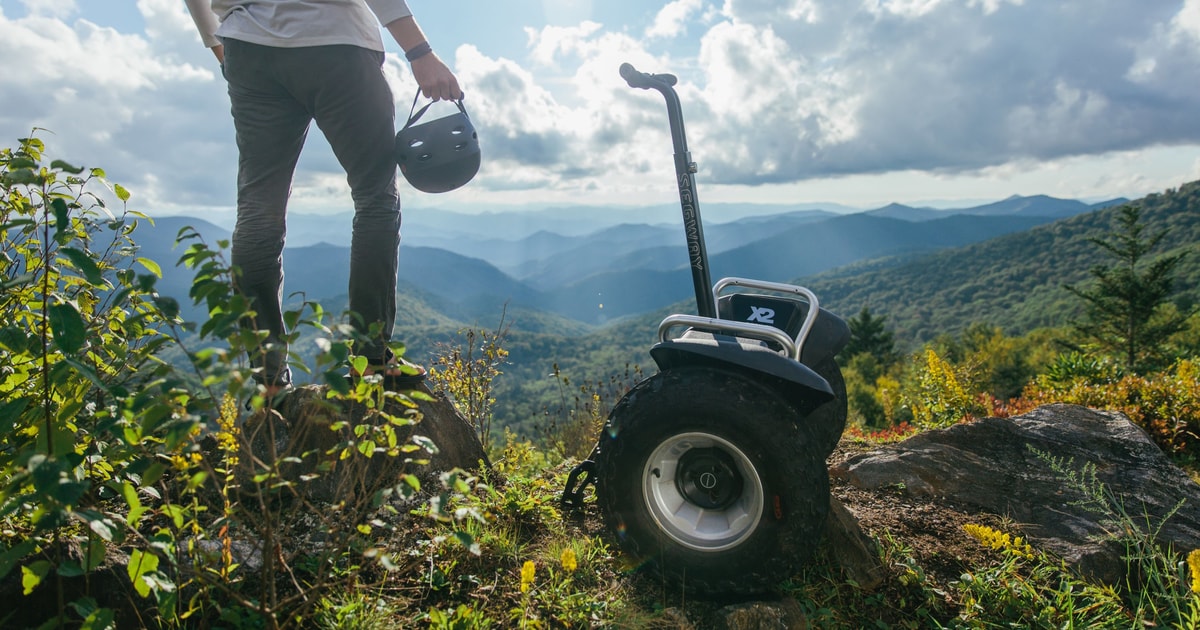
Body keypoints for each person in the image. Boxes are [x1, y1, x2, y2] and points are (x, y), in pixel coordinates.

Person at [184, 0, 462, 399]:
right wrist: (420, 52)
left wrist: (220, 46)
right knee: (375, 198)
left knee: (258, 211)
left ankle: (268, 379)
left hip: (247, 47)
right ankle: (372, 359)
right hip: (336, 42)